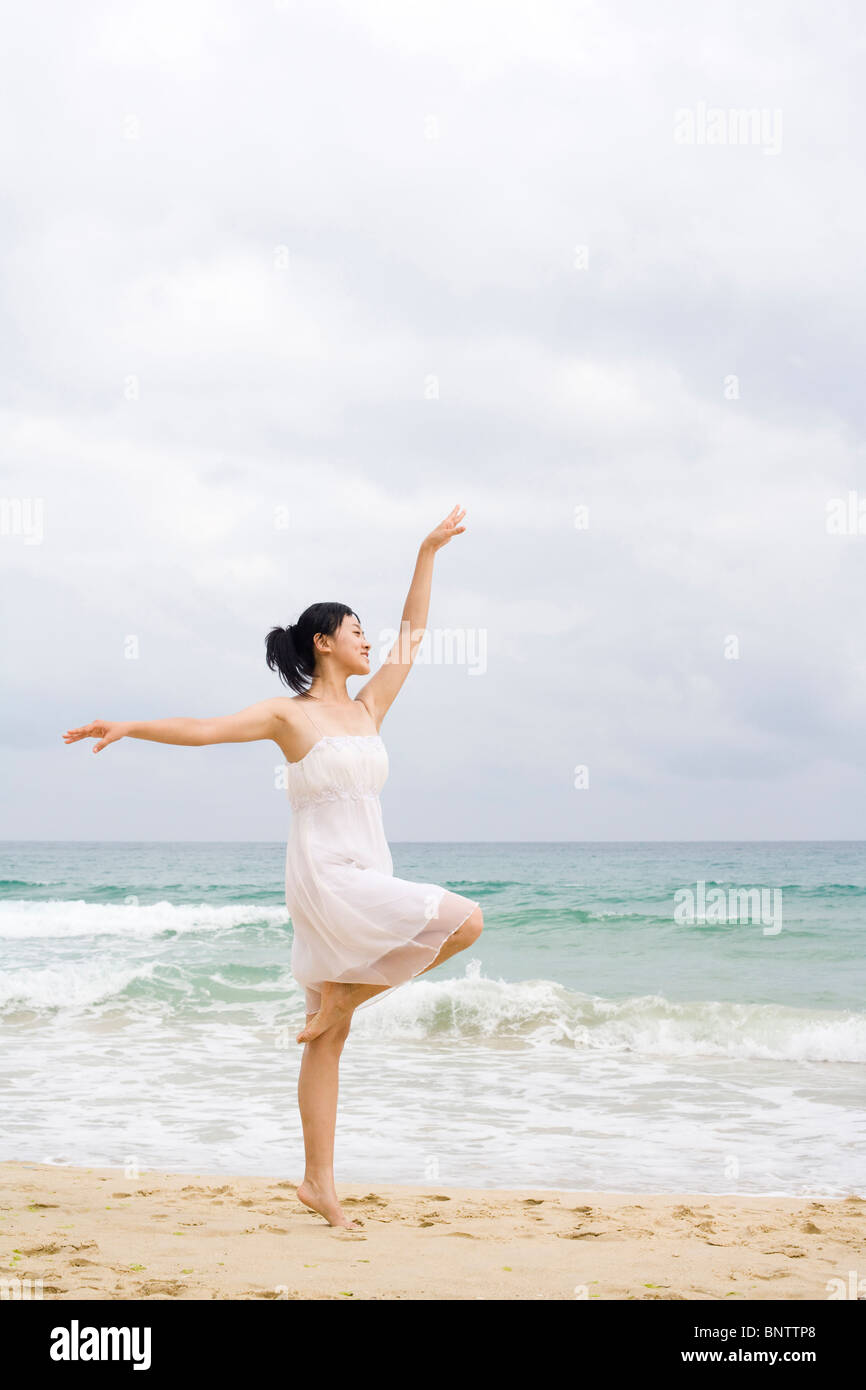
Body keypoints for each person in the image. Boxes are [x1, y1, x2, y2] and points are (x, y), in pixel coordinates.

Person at [63, 505, 484, 1229]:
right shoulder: (290, 718)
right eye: (355, 631)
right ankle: (341, 1007)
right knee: (466, 920)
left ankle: (319, 1181)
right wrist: (131, 724)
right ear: (324, 643)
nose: (367, 641)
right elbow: (204, 730)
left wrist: (427, 552)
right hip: (325, 875)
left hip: (370, 867)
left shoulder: (371, 707)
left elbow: (413, 637)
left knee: (329, 1033)